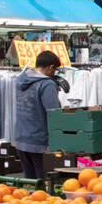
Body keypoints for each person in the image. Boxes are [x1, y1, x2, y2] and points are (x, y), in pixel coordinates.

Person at [12, 51, 62, 180]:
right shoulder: (47, 84)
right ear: (51, 67)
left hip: (20, 138)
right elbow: (54, 113)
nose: (55, 73)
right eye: (55, 70)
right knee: (42, 184)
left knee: (29, 182)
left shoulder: (20, 80)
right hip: (39, 141)